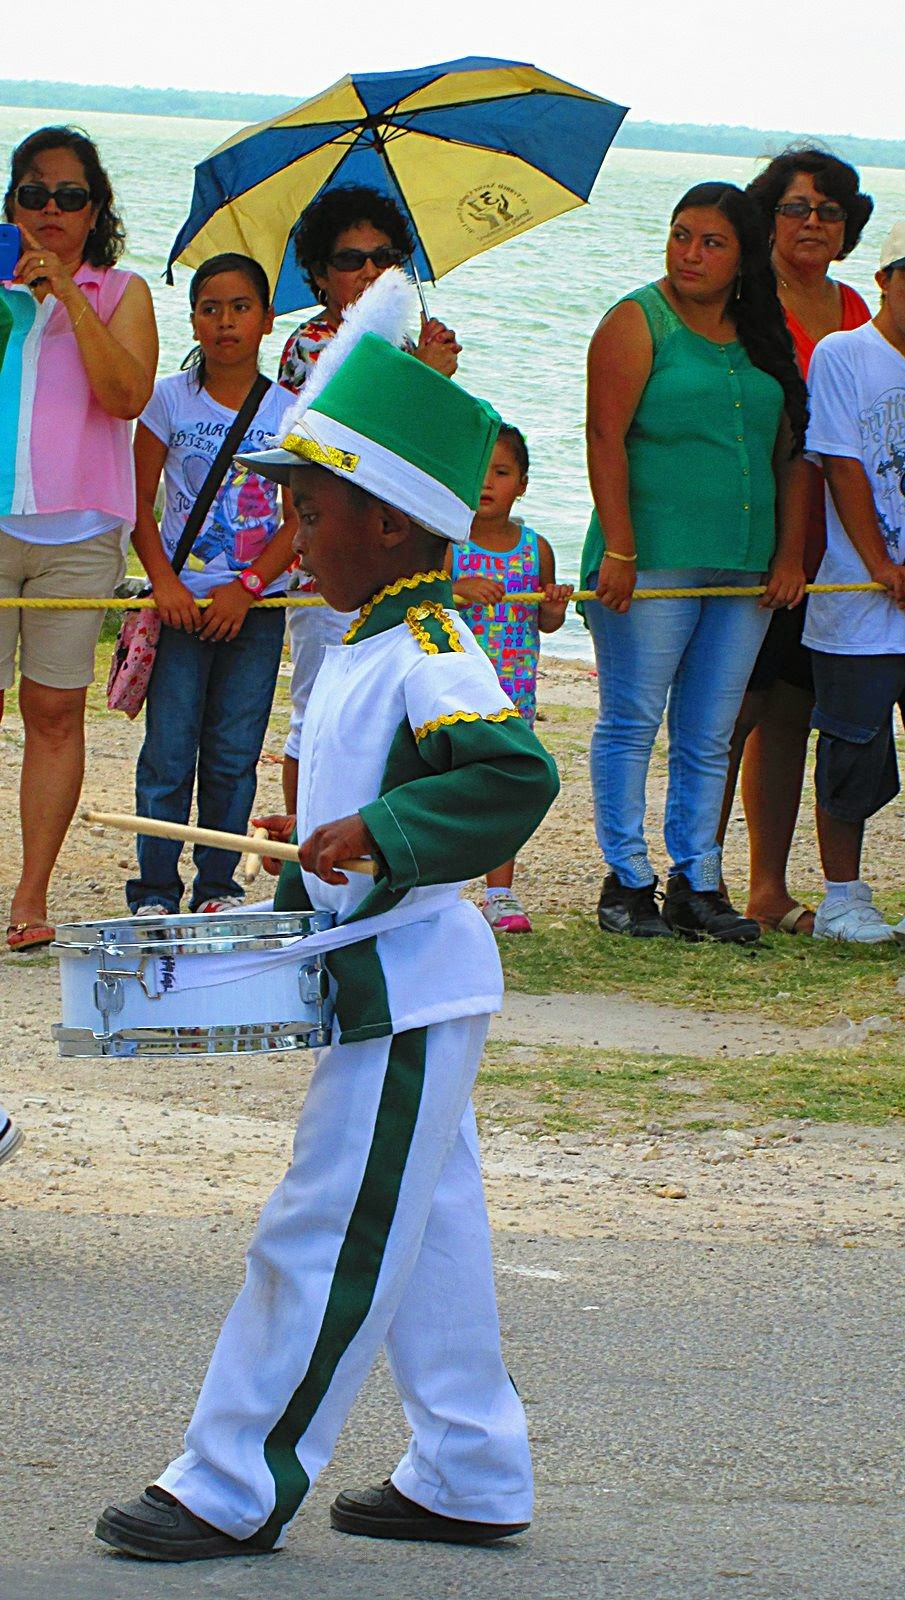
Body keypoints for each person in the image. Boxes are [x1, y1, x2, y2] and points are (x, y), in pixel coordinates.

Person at [95, 330, 559, 1561]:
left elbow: (514, 774)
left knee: (326, 1224)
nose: (296, 540)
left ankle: (233, 1479)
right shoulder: (371, 640)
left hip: (405, 986)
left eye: (312, 514)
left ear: (394, 527)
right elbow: (396, 794)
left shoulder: (428, 644)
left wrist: (384, 828)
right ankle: (469, 1465)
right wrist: (318, 834)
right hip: (393, 983)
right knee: (431, 1222)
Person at [581, 181, 809, 943]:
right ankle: (626, 882)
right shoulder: (635, 319)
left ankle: (698, 883)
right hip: (647, 562)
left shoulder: (761, 334)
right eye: (681, 235)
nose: (690, 254)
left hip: (741, 567)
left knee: (709, 730)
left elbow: (787, 456)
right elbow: (603, 436)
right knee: (632, 720)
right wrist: (617, 548)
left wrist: (784, 555)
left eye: (710, 241)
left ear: (742, 255)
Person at [0, 125, 158, 950]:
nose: (50, 209)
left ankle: (31, 898)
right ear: (11, 201)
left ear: (95, 211)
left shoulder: (118, 291)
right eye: (34, 192)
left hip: (78, 531)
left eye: (69, 196)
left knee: (55, 712)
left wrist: (67, 295)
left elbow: (128, 396)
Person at [717, 149, 874, 935]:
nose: (811, 222)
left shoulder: (858, 311)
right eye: (793, 207)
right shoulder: (745, 306)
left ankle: (766, 889)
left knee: (790, 712)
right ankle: (696, 877)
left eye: (828, 211)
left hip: (841, 548)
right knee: (732, 710)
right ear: (765, 218)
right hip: (761, 536)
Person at [125, 254, 297, 916]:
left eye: (240, 307)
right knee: (168, 753)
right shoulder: (168, 399)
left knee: (233, 754)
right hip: (178, 605)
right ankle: (155, 890)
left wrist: (248, 586)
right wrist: (164, 582)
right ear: (193, 320)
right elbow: (139, 500)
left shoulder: (288, 410)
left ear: (266, 320)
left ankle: (219, 887)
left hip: (253, 610)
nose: (225, 321)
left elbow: (298, 520)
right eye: (210, 308)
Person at [278, 185, 460, 812]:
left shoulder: (403, 348)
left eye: (384, 257)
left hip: (400, 557)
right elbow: (338, 448)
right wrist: (424, 381)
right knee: (319, 709)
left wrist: (431, 381)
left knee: (394, 704)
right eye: (351, 260)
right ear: (321, 276)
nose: (370, 272)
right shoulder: (313, 345)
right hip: (335, 550)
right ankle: (310, 837)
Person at [801, 223, 905, 943]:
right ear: (884, 281)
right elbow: (840, 465)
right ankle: (841, 897)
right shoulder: (846, 355)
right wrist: (882, 567)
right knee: (850, 750)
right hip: (859, 599)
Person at [447, 423, 572, 932]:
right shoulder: (448, 543)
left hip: (514, 693)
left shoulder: (534, 547)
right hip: (457, 690)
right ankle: (444, 886)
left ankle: (500, 892)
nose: (488, 483)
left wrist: (556, 606)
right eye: (479, 471)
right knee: (451, 785)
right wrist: (458, 588)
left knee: (504, 787)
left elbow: (545, 623)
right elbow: (422, 604)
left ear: (522, 483)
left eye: (501, 472)